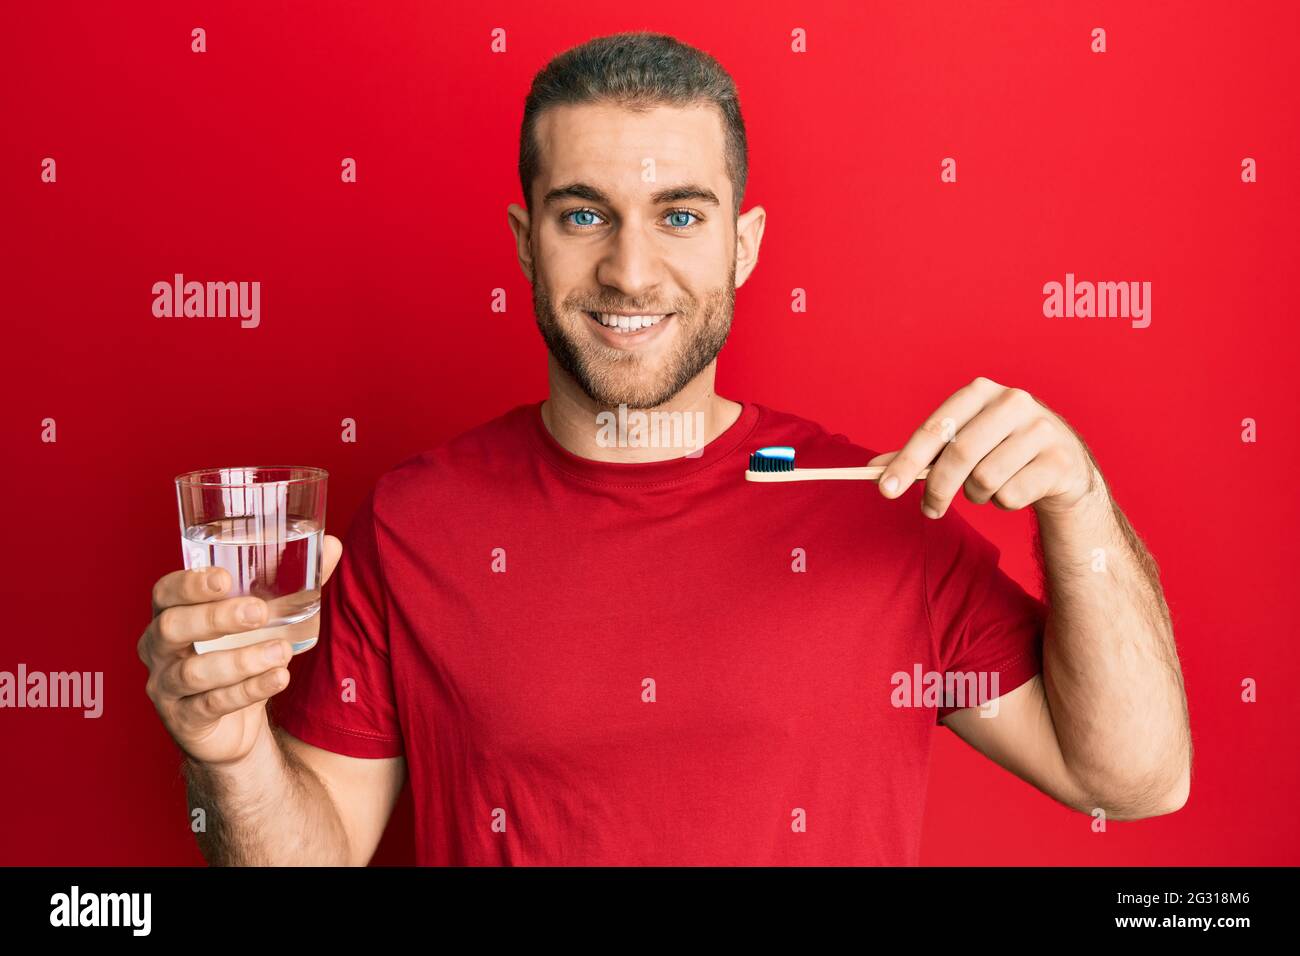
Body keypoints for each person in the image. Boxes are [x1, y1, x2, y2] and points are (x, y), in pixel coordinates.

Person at [139, 31, 1190, 865]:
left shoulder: (874, 508)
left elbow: (1136, 780)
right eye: (584, 214)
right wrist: (227, 755)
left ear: (744, 244)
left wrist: (1079, 506)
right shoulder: (413, 523)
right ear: (523, 240)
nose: (630, 271)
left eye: (679, 215)